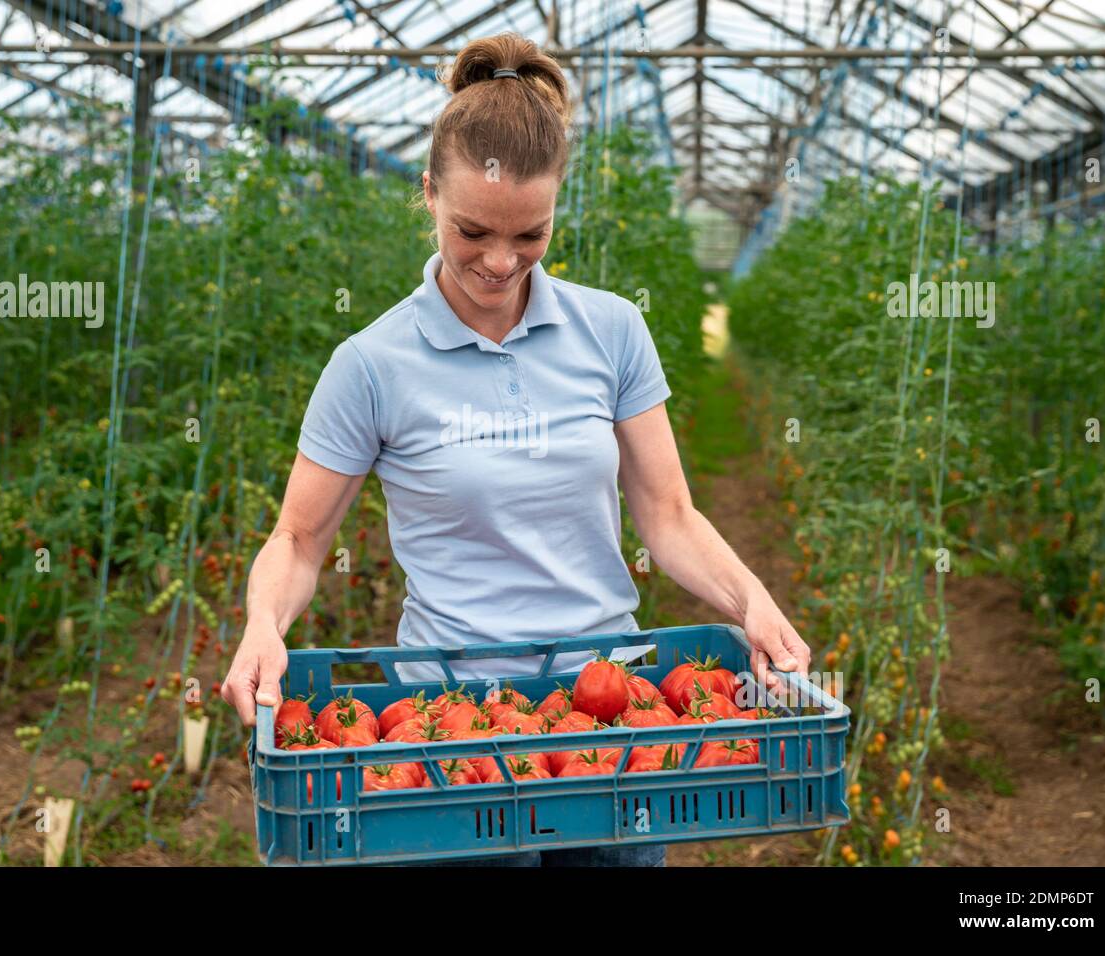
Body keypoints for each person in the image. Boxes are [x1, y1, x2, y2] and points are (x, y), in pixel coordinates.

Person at [222, 32, 811, 867]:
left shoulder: (612, 331)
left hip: (612, 710)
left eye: (529, 236)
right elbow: (299, 540)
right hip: (447, 722)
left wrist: (752, 604)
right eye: (472, 232)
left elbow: (669, 515)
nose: (500, 263)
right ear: (427, 194)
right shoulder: (371, 365)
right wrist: (262, 625)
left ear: (556, 209)